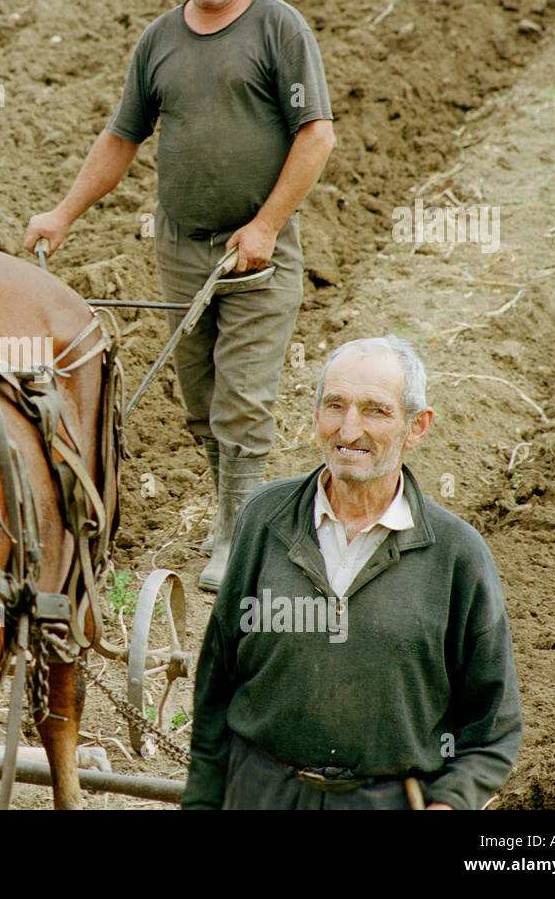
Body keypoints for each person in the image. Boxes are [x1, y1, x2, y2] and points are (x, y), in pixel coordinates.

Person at [23, 0, 335, 593]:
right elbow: (121, 139)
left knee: (242, 402)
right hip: (181, 248)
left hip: (258, 252)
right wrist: (63, 214)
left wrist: (266, 225)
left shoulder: (278, 28)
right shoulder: (159, 40)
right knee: (200, 403)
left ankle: (234, 537)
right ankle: (244, 511)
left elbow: (316, 136)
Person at [182, 336, 523, 809]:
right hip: (258, 791)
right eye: (335, 405)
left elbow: (492, 727)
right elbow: (216, 683)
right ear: (315, 415)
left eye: (376, 411)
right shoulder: (265, 519)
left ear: (417, 426)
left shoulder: (456, 554)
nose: (349, 429)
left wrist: (450, 801)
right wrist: (202, 802)